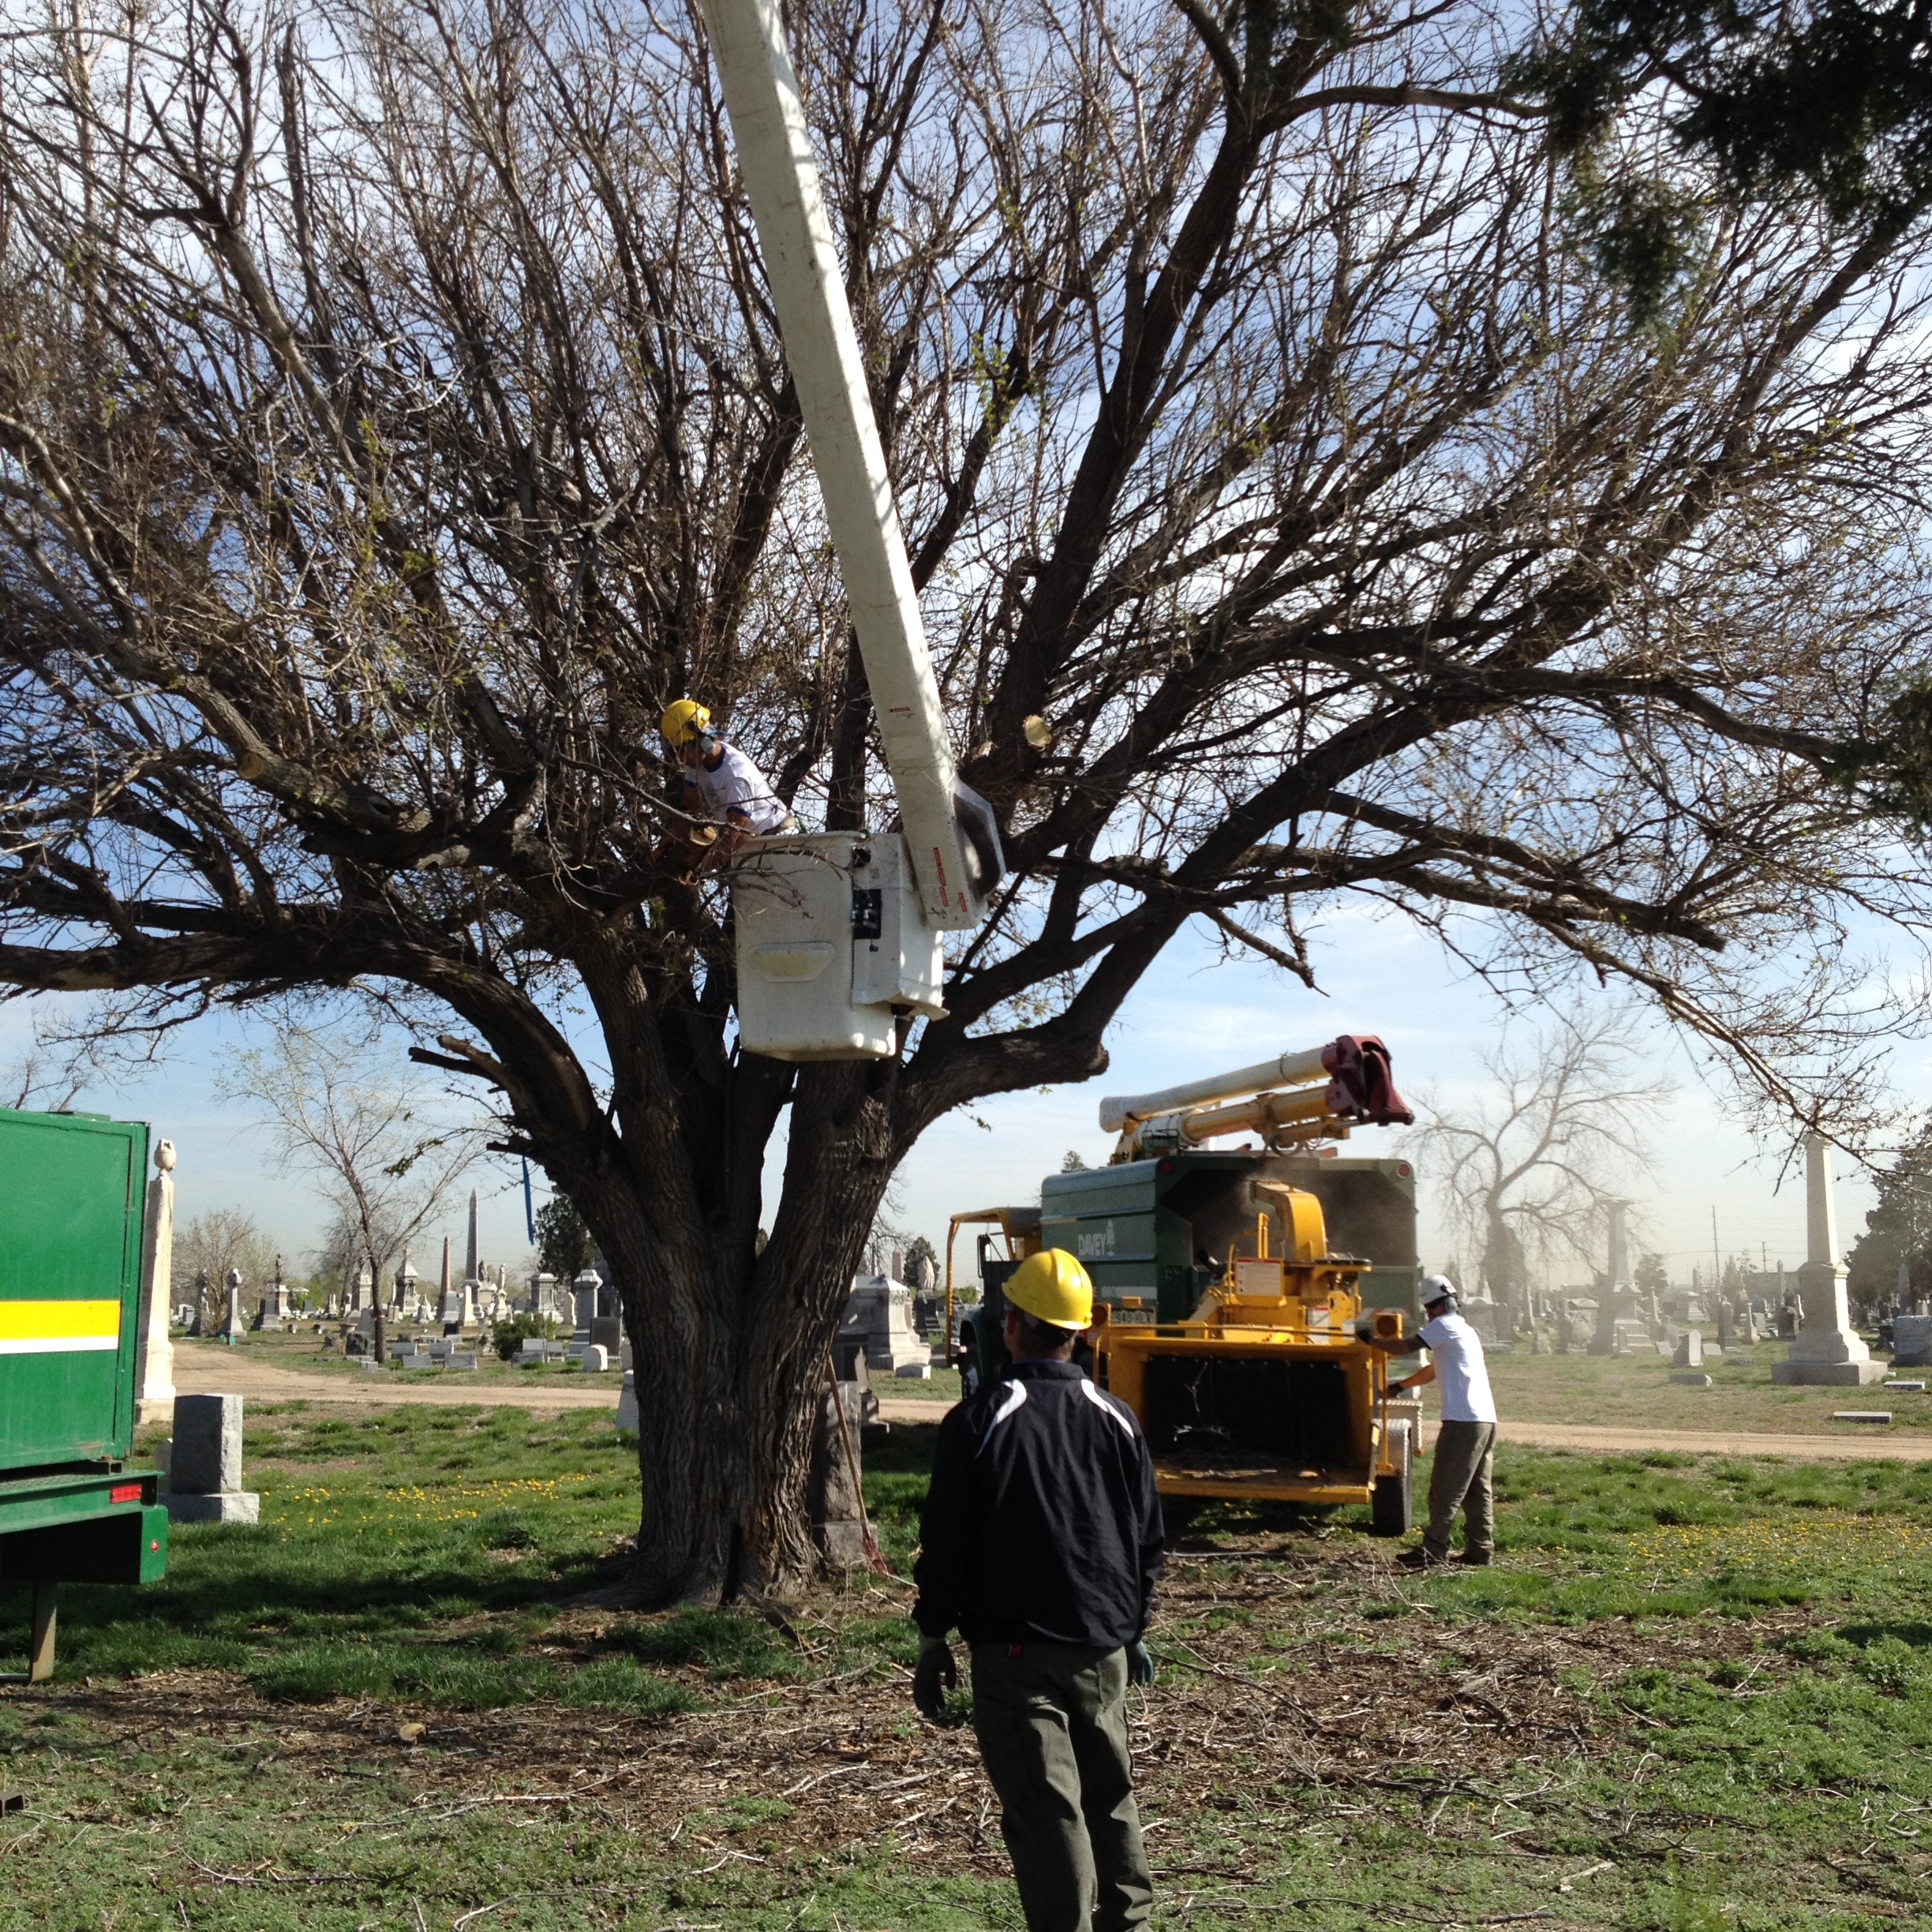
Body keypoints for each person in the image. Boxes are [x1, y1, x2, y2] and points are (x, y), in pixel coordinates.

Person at [911, 1249, 1164, 1932]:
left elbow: (946, 1544)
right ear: (1080, 1332)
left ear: (1011, 1326)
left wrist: (933, 1634)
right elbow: (1146, 1540)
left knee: (1047, 1810)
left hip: (1015, 1654)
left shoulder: (978, 1420)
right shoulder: (1118, 1418)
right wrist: (1132, 1627)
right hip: (1101, 1649)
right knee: (1111, 1796)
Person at [1367, 1273, 1496, 1568]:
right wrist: (1400, 1386)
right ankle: (1480, 1550)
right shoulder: (1465, 1330)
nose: (1429, 1313)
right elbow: (1432, 1371)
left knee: (1444, 1490)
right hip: (1486, 1421)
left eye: (1429, 1307)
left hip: (1462, 1422)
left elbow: (1403, 1347)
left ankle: (1433, 1550)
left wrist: (1369, 1340)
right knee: (1477, 1490)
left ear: (1432, 1306)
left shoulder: (1443, 1326)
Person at [657, 700, 792, 857]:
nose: (680, 759)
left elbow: (738, 835)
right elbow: (689, 805)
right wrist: (672, 836)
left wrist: (700, 865)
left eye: (681, 750)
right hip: (747, 842)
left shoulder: (736, 775)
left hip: (777, 840)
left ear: (703, 742)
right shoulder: (695, 764)